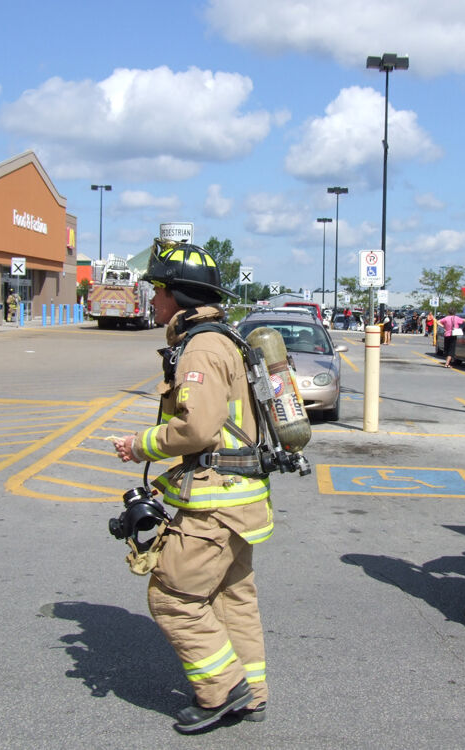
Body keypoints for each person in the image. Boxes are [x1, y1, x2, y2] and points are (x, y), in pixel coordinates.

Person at [113, 242, 272, 734]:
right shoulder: (224, 337)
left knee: (172, 597)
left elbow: (199, 430)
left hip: (214, 507)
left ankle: (223, 689)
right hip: (242, 501)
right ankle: (253, 692)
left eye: (157, 289)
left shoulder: (200, 347)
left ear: (175, 295)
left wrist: (140, 445)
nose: (153, 298)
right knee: (231, 597)